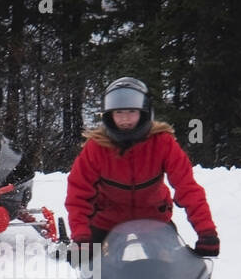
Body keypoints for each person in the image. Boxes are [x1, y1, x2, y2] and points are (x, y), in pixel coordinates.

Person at [64, 76, 219, 256]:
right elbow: (78, 195)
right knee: (91, 276)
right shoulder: (96, 147)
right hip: (106, 223)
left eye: (131, 111)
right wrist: (81, 237)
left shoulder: (163, 143)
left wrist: (206, 231)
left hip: (154, 222)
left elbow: (188, 189)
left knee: (173, 273)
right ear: (109, 115)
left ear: (144, 112)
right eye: (118, 112)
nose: (125, 119)